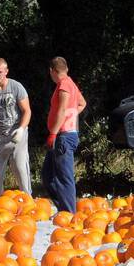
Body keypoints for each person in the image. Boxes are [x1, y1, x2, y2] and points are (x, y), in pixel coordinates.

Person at [0, 58, 32, 194]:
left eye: (0, 72)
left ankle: (28, 199)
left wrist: (21, 129)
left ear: (6, 72)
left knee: (20, 166)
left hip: (16, 131)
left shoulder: (16, 87)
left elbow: (27, 111)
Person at [43, 57, 86, 214]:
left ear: (52, 71)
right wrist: (72, 115)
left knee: (64, 177)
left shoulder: (64, 86)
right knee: (48, 175)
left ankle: (69, 213)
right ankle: (63, 209)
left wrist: (53, 133)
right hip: (63, 135)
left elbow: (61, 110)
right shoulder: (71, 84)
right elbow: (82, 103)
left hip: (63, 137)